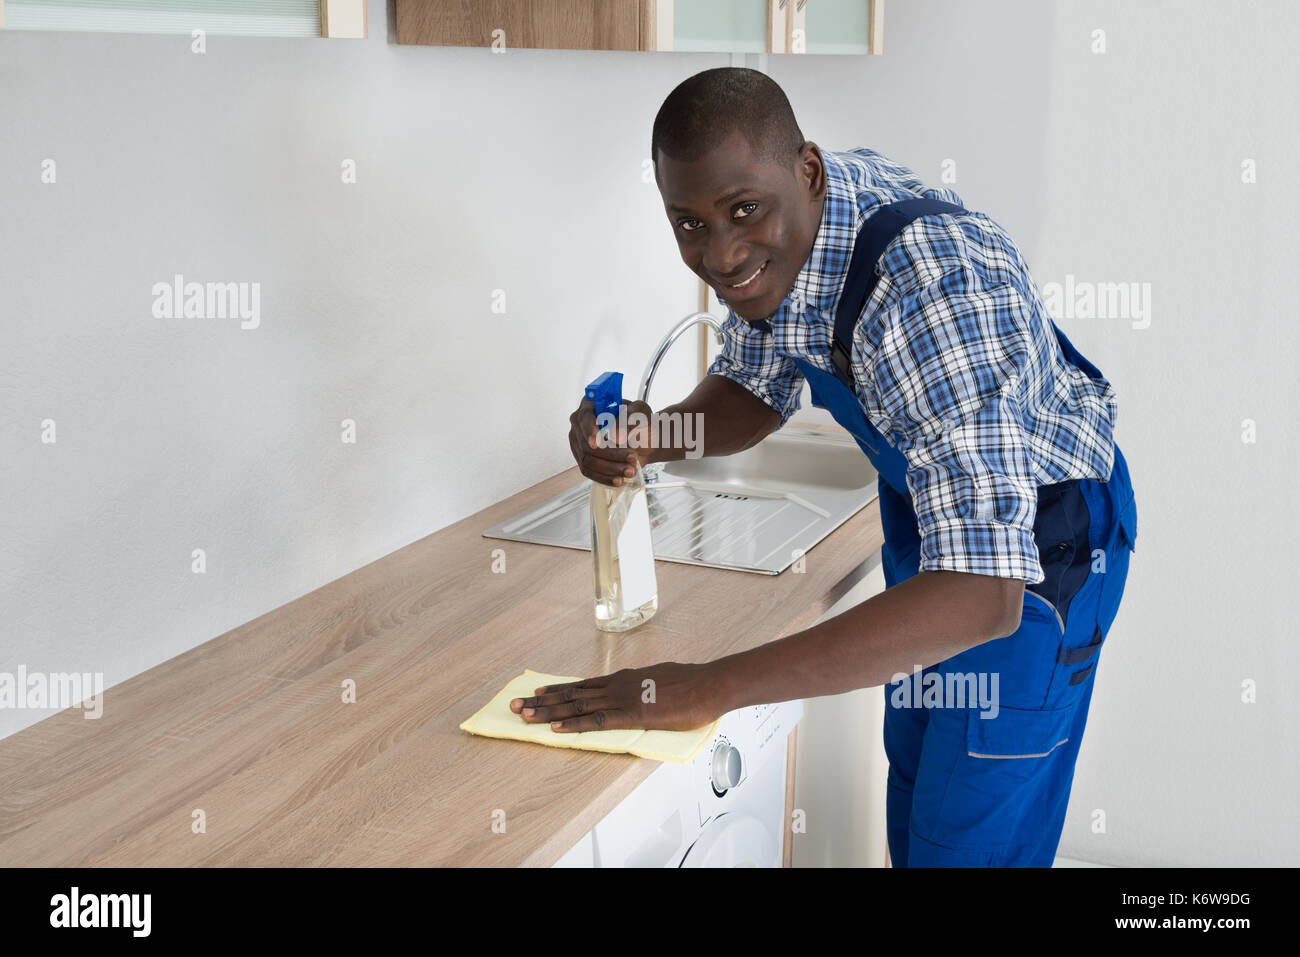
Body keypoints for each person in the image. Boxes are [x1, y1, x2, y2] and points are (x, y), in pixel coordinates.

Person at [511, 67, 1137, 867]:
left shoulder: (930, 290)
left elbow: (982, 594)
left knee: (970, 845)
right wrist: (650, 434)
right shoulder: (799, 229)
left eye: (743, 212)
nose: (723, 253)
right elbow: (756, 385)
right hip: (934, 525)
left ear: (805, 171)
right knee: (918, 808)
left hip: (1037, 564)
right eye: (689, 224)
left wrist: (713, 685)